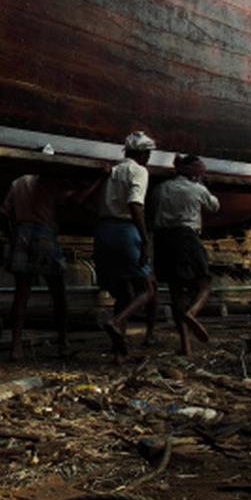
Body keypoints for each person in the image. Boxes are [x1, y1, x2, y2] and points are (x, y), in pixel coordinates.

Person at [0, 173, 103, 361]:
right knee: (58, 292)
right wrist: (96, 182)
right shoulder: (51, 181)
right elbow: (73, 201)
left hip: (21, 232)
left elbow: (6, 212)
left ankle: (16, 347)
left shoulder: (18, 182)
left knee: (21, 294)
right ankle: (63, 342)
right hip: (44, 234)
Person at [94, 131, 159, 357]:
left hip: (103, 230)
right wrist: (145, 238)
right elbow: (135, 205)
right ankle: (117, 322)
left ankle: (117, 351)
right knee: (147, 288)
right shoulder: (139, 170)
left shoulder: (112, 170)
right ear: (142, 153)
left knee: (122, 293)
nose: (149, 158)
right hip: (125, 231)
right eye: (148, 153)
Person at [151, 154, 220, 355]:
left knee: (176, 292)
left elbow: (151, 212)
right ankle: (192, 312)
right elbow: (215, 207)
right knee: (204, 283)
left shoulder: (159, 189)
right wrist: (205, 186)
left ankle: (186, 346)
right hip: (186, 236)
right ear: (196, 174)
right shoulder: (197, 189)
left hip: (163, 239)